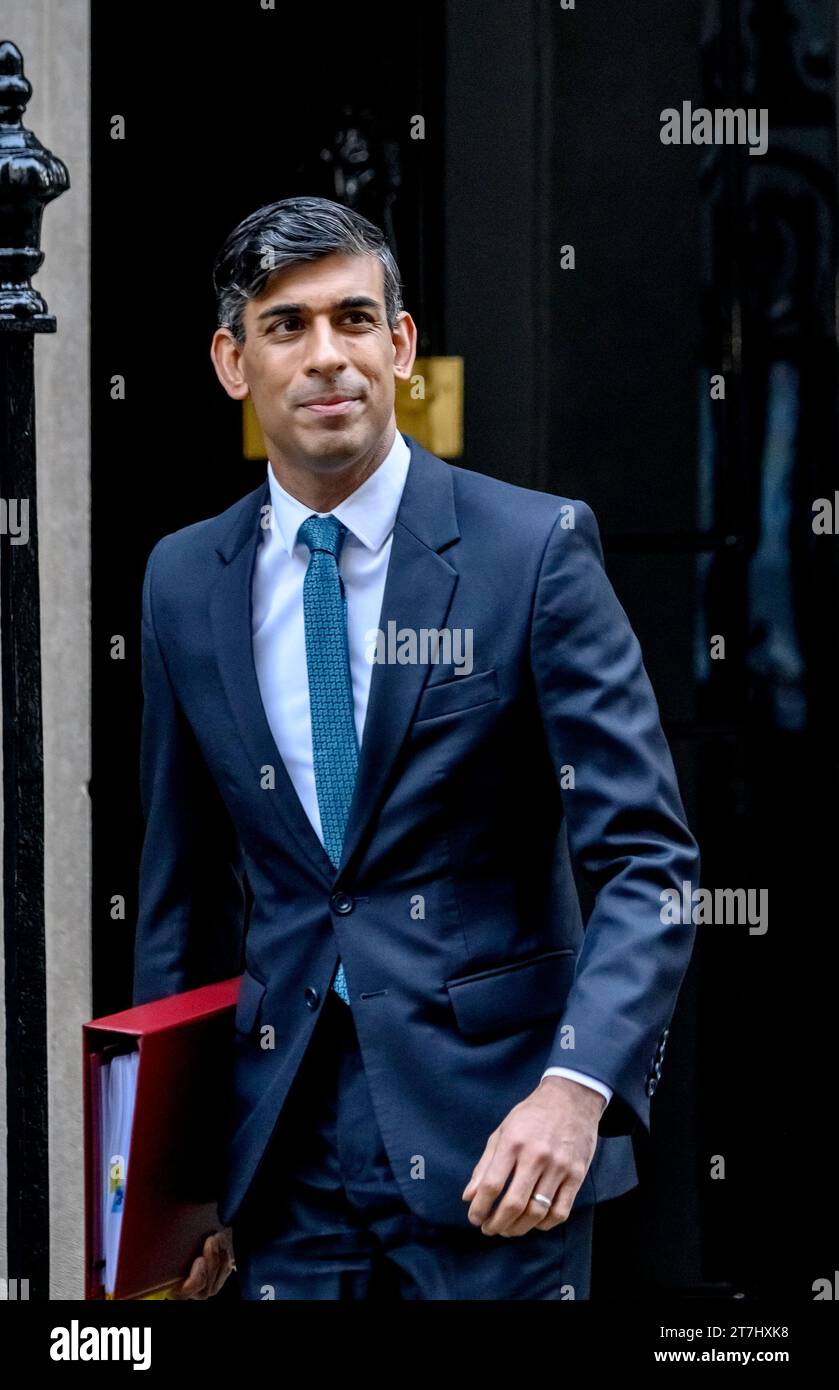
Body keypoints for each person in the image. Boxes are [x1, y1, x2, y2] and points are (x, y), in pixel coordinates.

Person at [132, 195, 700, 1300]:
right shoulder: (179, 582)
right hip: (278, 1153)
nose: (326, 355)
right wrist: (176, 1184)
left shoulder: (532, 551)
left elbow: (648, 863)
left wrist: (574, 1089)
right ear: (231, 362)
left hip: (500, 1142)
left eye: (354, 319)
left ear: (400, 347)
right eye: (285, 325)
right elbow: (180, 897)